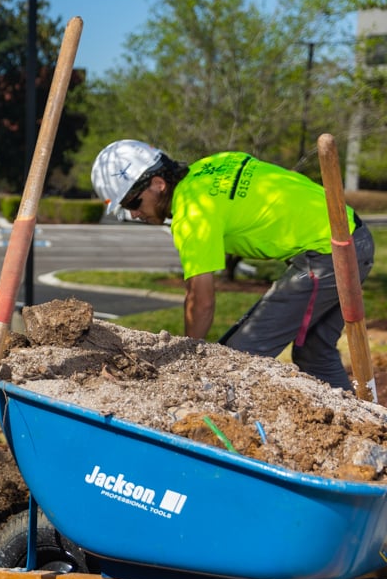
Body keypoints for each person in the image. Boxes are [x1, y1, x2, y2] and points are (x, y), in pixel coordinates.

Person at [91, 140, 376, 392]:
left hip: (332, 251)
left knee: (238, 355)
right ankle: (361, 425)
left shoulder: (193, 214)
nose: (133, 214)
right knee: (314, 352)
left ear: (158, 183)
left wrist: (183, 364)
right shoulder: (211, 165)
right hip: (351, 235)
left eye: (133, 202)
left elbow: (201, 303)